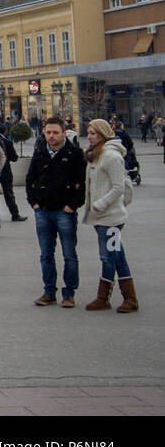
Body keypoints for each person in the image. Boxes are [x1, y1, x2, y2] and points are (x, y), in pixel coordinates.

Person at [25, 117, 86, 307]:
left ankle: (69, 293)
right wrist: (33, 202)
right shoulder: (40, 151)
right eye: (48, 132)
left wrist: (73, 205)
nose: (51, 136)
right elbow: (30, 178)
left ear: (64, 133)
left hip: (64, 211)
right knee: (46, 255)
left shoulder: (74, 153)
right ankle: (49, 292)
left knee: (69, 254)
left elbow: (82, 183)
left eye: (55, 132)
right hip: (42, 211)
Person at [83, 119, 138, 313]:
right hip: (101, 217)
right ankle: (130, 299)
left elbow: (118, 187)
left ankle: (103, 298)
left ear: (103, 135)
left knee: (108, 258)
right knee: (117, 257)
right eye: (88, 133)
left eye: (93, 133)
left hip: (111, 218)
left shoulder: (111, 156)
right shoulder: (97, 155)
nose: (88, 137)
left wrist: (100, 204)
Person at [0, 120, 27, 224]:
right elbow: (14, 157)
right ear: (5, 132)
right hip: (6, 170)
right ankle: (15, 214)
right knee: (8, 193)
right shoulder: (7, 142)